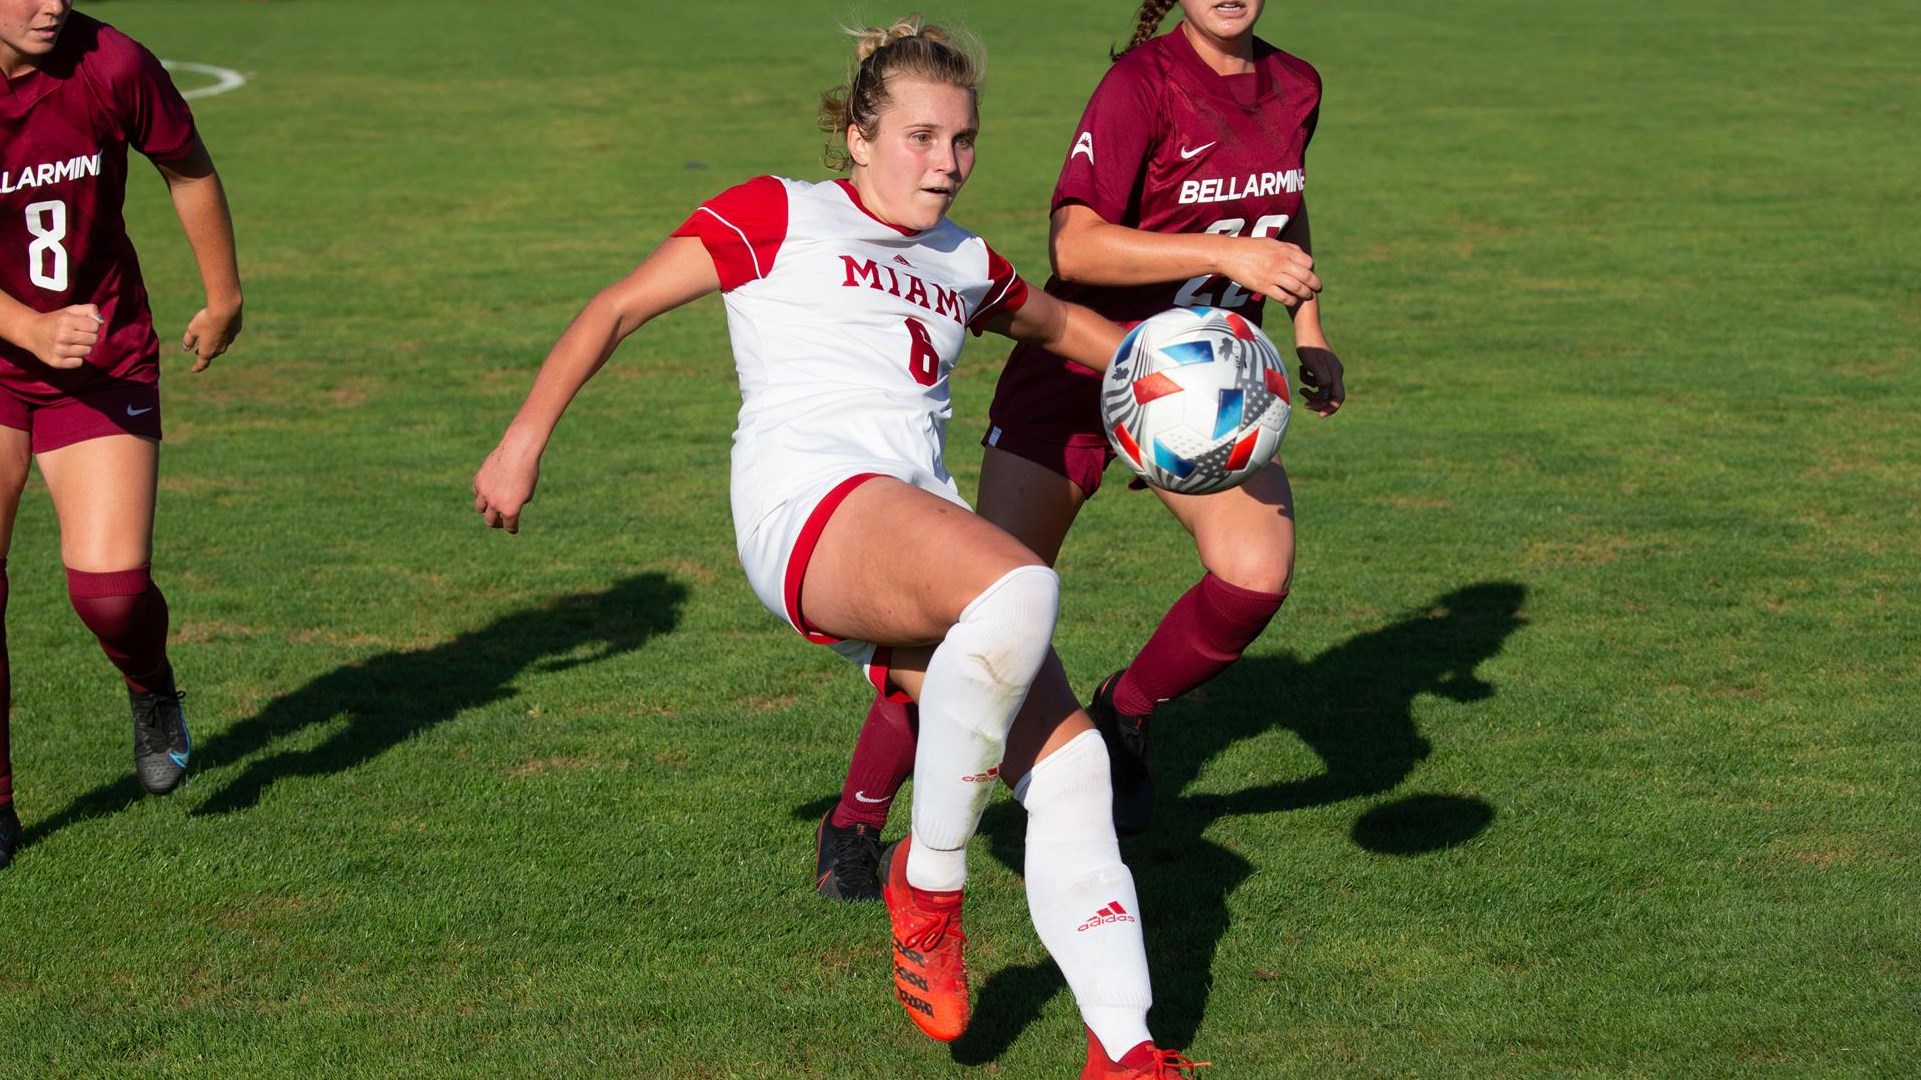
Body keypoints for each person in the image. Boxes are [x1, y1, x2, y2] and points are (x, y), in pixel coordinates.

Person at [473, 18, 1206, 1076]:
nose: (945, 164)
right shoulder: (778, 212)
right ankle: (928, 877)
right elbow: (620, 306)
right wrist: (522, 440)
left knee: (1076, 770)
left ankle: (1124, 1051)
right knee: (1016, 584)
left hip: (912, 528)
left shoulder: (962, 260)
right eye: (919, 137)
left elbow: (1059, 330)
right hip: (805, 504)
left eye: (962, 142)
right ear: (858, 137)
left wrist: (1182, 373)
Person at [815, 0, 1342, 884]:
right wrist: (1223, 265)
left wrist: (1310, 326)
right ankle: (858, 816)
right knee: (968, 621)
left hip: (1199, 392)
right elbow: (1077, 246)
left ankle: (1126, 710)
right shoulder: (1140, 85)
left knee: (1256, 573)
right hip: (1071, 375)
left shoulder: (1296, 85)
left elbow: (1281, 217)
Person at [0, 0, 244, 869]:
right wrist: (25, 330)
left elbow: (188, 167)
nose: (50, 3)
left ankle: (151, 687)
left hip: (102, 360)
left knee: (109, 593)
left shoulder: (113, 63)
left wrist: (224, 297)